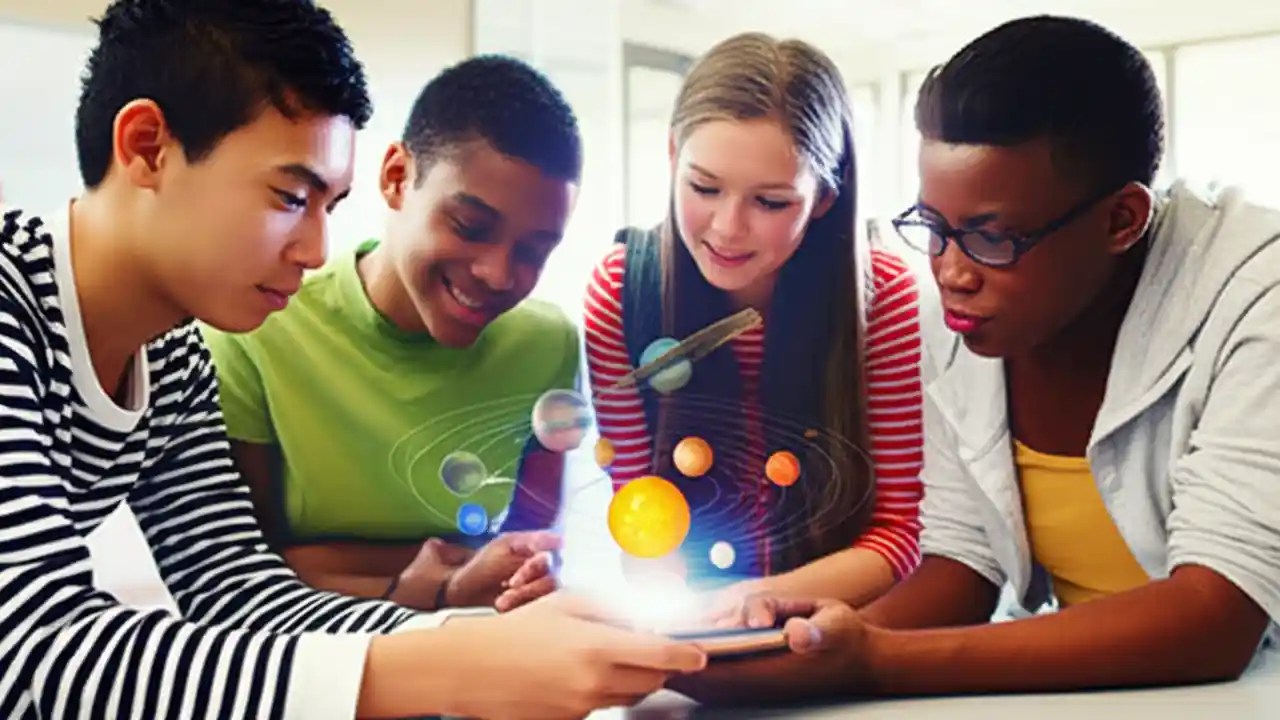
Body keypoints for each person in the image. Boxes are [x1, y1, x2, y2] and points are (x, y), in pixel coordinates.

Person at [0, 2, 705, 718]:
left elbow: (237, 593)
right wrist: (450, 663)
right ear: (149, 147)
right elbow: (42, 648)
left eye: (327, 207)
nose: (313, 252)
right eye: (289, 196)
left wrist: (487, 640)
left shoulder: (173, 356)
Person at [672, 15, 1280, 702]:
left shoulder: (1258, 296)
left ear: (1121, 221)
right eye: (933, 228)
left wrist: (873, 661)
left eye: (993, 238)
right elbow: (963, 563)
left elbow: (1217, 618)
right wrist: (818, 641)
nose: (951, 272)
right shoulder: (959, 322)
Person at [500, 32, 925, 614]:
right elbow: (641, 516)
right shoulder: (619, 293)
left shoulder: (887, 297)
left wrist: (760, 600)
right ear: (673, 155)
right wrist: (689, 615)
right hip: (700, 626)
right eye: (704, 187)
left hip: (847, 625)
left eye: (770, 202)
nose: (727, 228)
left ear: (824, 196)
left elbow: (902, 532)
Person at [201, 55, 583, 612]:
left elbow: (521, 562)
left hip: (482, 666)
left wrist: (330, 562)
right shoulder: (261, 325)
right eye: (470, 227)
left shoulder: (547, 343)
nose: (499, 273)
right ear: (397, 178)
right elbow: (240, 574)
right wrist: (429, 586)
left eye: (534, 251)